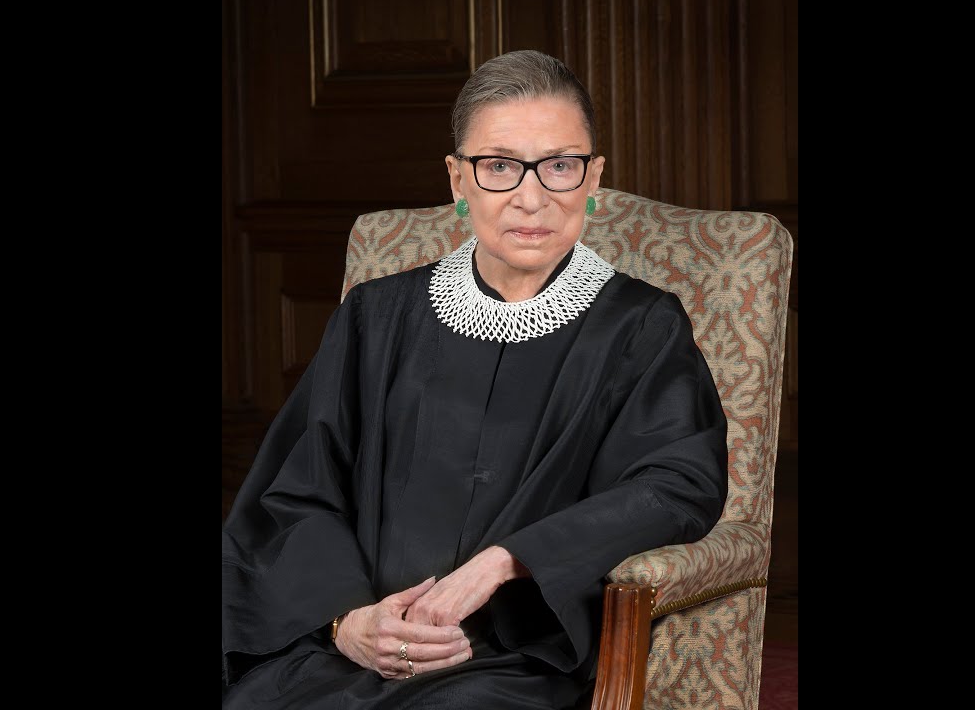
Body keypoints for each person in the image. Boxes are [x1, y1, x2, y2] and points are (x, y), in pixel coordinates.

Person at [221, 49, 728, 709]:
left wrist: (506, 560)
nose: (531, 196)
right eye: (498, 166)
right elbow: (296, 495)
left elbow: (678, 485)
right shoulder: (378, 315)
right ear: (458, 180)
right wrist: (349, 622)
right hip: (353, 645)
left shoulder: (640, 327)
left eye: (561, 165)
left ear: (593, 177)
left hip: (516, 657)